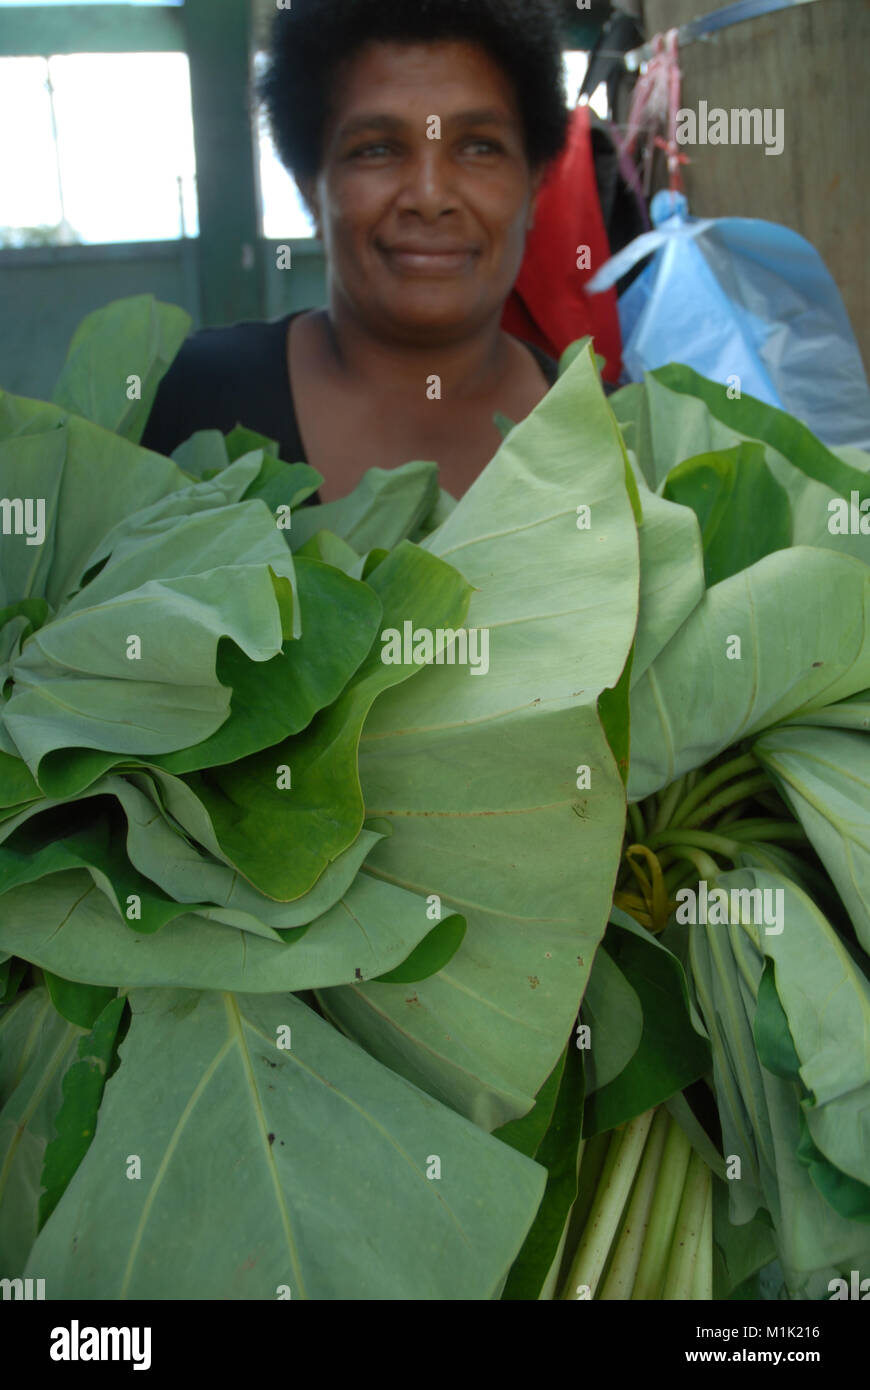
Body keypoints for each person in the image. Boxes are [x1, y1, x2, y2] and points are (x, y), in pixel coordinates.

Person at [142, 0, 572, 503]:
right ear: (310, 187)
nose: (430, 197)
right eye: (377, 149)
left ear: (534, 184)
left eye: (478, 146)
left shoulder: (619, 440)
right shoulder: (184, 401)